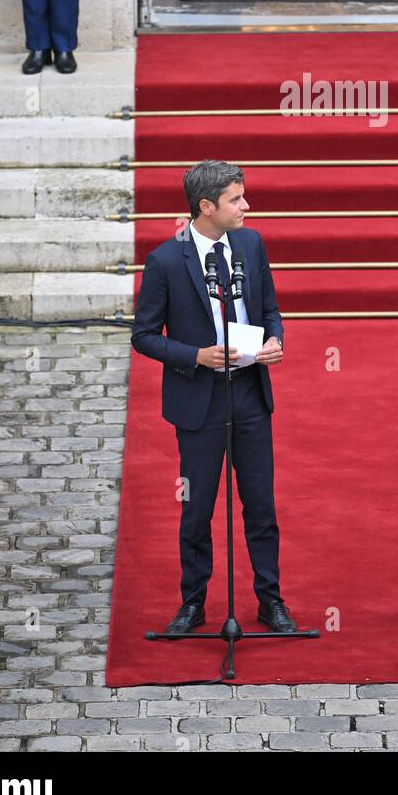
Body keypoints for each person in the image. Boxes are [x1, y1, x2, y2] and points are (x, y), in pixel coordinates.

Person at [131, 159, 296, 635]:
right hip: (199, 401)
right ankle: (193, 603)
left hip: (249, 393)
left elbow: (269, 307)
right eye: (236, 200)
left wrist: (273, 340)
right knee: (198, 507)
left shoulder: (250, 243)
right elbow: (143, 335)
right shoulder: (165, 260)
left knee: (261, 504)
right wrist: (195, 356)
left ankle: (271, 600)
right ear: (206, 207)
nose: (247, 206)